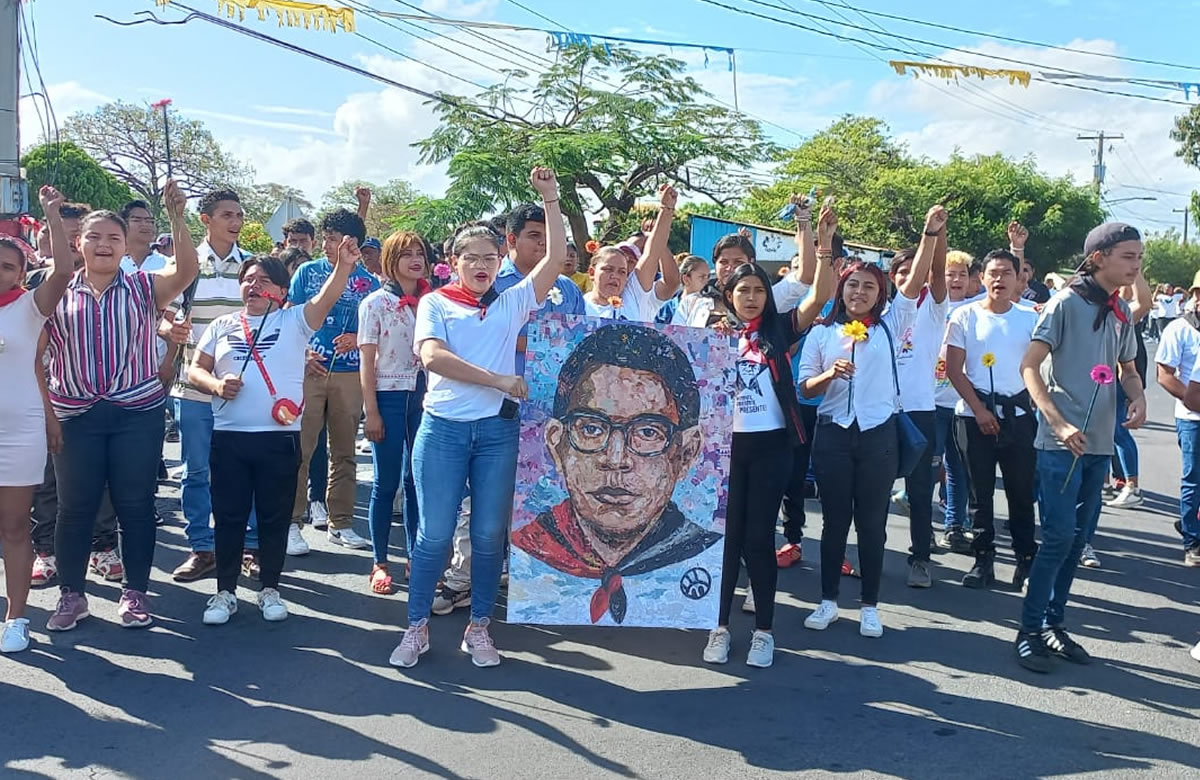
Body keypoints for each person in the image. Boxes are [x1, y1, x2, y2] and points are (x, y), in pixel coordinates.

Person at [389, 167, 564, 669]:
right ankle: (416, 626)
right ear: (453, 263)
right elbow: (432, 358)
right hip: (442, 429)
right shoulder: (434, 302)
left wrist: (550, 199)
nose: (483, 265)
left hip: (496, 434)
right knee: (435, 536)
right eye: (473, 258)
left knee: (489, 536)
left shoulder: (512, 302)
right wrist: (499, 380)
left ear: (501, 259)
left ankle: (480, 627)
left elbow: (553, 259)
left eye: (491, 257)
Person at [43, 180, 199, 632]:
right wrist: (53, 215)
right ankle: (72, 595)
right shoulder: (57, 290)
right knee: (75, 508)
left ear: (125, 244)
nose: (104, 245)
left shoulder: (143, 288)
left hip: (136, 412)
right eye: (94, 237)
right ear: (79, 244)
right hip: (75, 415)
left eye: (114, 237)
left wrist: (176, 215)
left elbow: (186, 270)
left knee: (134, 505)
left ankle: (134, 593)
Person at [797, 205, 944, 638]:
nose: (858, 292)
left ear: (880, 295)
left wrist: (929, 235)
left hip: (879, 435)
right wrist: (829, 375)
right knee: (834, 522)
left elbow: (915, 283)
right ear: (841, 290)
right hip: (833, 436)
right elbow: (805, 389)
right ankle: (827, 601)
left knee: (873, 524)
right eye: (852, 285)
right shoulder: (822, 333)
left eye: (868, 287)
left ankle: (870, 605)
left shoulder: (890, 326)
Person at [192, 243, 359, 626]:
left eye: (263, 280)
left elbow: (327, 295)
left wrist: (344, 266)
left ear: (282, 291)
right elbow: (195, 370)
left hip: (279, 438)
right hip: (230, 436)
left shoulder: (296, 320)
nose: (253, 285)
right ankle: (225, 592)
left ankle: (270, 588)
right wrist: (217, 385)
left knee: (273, 517)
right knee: (229, 516)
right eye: (247, 280)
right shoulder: (222, 325)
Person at [699, 205, 836, 667]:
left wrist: (823, 244)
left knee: (759, 538)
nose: (752, 298)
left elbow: (819, 296)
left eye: (759, 290)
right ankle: (718, 627)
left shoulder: (780, 328)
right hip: (724, 452)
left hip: (772, 446)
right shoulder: (712, 333)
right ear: (729, 294)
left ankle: (763, 631)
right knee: (726, 538)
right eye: (744, 290)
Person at [511, 325, 721, 626]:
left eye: (648, 431)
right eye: (592, 428)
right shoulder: (527, 554)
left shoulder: (703, 557)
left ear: (686, 452)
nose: (616, 460)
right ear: (557, 444)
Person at [1015, 222, 1146, 673]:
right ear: (1098, 258)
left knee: (1076, 542)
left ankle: (1054, 623)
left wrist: (1138, 391)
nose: (1136, 265)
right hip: (1060, 445)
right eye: (1128, 256)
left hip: (1100, 445)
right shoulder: (1064, 303)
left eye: (1139, 257)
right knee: (1056, 538)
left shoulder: (1119, 311)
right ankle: (1029, 630)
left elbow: (1127, 366)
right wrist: (1058, 423)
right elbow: (1029, 367)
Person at [0, 187, 74, 652]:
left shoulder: (29, 307)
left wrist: (52, 216)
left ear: (22, 273)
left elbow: (65, 270)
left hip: (17, 430)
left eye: (7, 266)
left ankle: (17, 616)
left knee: (13, 526)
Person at [169, 189, 251, 582]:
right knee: (196, 471)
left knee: (245, 468)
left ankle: (248, 546)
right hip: (193, 387)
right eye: (226, 215)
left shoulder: (251, 269)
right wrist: (171, 328)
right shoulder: (184, 265)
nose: (235, 222)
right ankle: (202, 547)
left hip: (242, 388)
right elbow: (159, 316)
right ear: (205, 219)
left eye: (238, 215)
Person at [945, 249, 1040, 590]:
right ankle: (983, 559)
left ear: (1019, 279)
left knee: (1021, 493)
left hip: (1019, 418)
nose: (999, 280)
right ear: (981, 278)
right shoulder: (964, 317)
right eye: (993, 273)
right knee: (979, 495)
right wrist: (980, 409)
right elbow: (954, 370)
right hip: (972, 416)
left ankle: (1026, 561)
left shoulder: (1031, 318)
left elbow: (1040, 367)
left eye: (1007, 273)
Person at [288, 208, 378, 553]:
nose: (326, 245)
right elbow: (290, 317)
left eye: (333, 239)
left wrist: (357, 337)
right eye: (324, 238)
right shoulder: (307, 273)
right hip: (308, 371)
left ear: (351, 242)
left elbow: (375, 328)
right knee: (301, 450)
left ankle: (341, 523)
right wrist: (303, 353)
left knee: (344, 452)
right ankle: (292, 523)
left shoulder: (369, 283)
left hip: (350, 373)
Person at [359, 231, 432, 594]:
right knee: (385, 483)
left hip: (422, 396)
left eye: (420, 253)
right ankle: (379, 561)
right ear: (390, 260)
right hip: (386, 396)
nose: (415, 259)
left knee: (417, 481)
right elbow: (367, 361)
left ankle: (416, 556)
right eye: (406, 254)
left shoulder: (433, 302)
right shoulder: (374, 303)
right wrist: (370, 411)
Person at [889, 230, 948, 589]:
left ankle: (921, 559)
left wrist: (936, 235)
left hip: (920, 411)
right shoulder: (879, 309)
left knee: (920, 489)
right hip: (882, 412)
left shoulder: (933, 305)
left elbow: (938, 274)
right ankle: (871, 554)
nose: (908, 277)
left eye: (916, 270)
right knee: (875, 490)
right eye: (901, 272)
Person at [1155, 270, 1200, 567]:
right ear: (1196, 296)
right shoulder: (1179, 329)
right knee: (1194, 479)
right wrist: (1193, 400)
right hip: (1191, 417)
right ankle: (1192, 541)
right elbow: (1164, 375)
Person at [934, 250, 977, 553]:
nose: (956, 279)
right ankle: (923, 529)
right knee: (928, 466)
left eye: (962, 274)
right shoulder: (930, 306)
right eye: (951, 273)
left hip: (963, 402)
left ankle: (954, 525)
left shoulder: (977, 308)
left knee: (959, 467)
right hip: (932, 401)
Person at [583, 187, 680, 322]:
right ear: (592, 272)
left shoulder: (633, 295)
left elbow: (652, 253)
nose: (615, 276)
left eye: (622, 272)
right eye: (608, 269)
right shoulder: (579, 306)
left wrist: (666, 208)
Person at [118, 200, 170, 274]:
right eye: (137, 220)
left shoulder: (167, 265)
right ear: (123, 225)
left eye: (150, 221)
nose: (145, 225)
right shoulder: (113, 264)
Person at [656, 255, 709, 326]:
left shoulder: (710, 306)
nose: (706, 281)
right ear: (686, 279)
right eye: (702, 277)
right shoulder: (667, 309)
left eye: (708, 277)